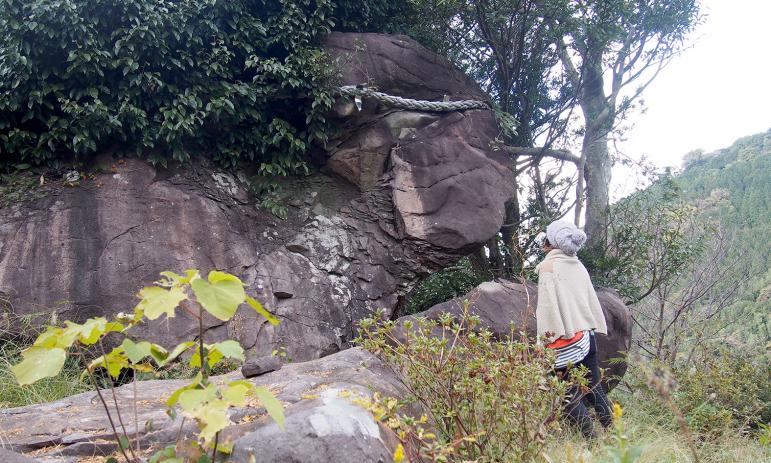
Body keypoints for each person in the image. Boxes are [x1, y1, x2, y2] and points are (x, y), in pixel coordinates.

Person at [535, 220, 613, 439]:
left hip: (567, 339)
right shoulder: (577, 264)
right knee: (595, 389)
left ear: (551, 242)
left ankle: (593, 441)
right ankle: (614, 436)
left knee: (566, 395)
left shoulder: (547, 267)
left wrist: (546, 344)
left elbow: (548, 309)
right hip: (587, 337)